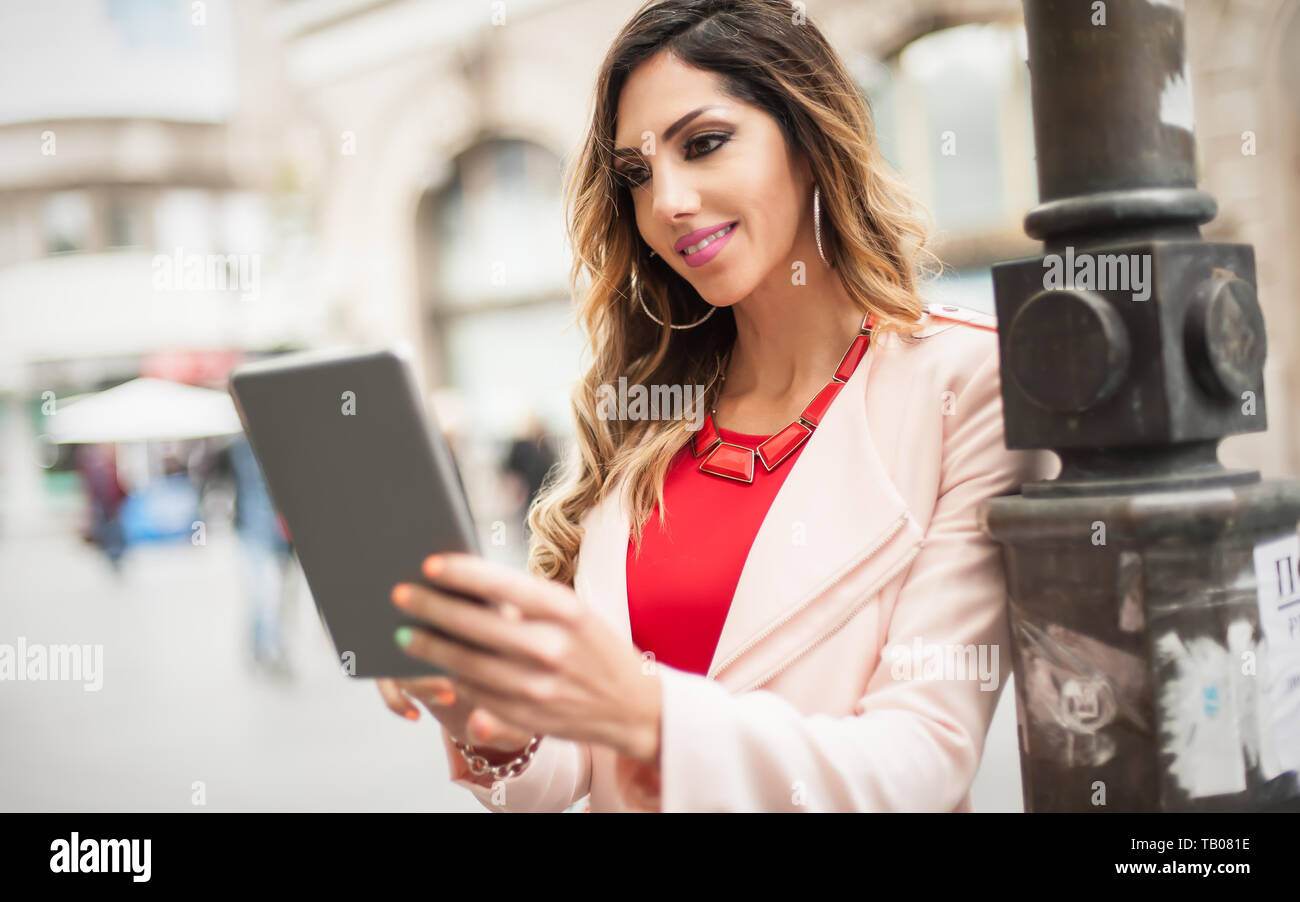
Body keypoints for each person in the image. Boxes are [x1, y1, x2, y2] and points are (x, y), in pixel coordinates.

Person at [375, 0, 1056, 812]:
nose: (668, 201)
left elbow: (919, 760)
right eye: (636, 173)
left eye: (705, 144)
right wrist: (484, 703)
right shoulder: (649, 407)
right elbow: (571, 772)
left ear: (808, 139)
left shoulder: (967, 383)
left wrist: (651, 713)